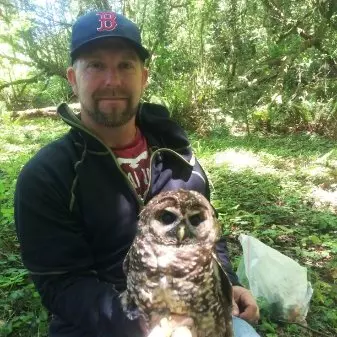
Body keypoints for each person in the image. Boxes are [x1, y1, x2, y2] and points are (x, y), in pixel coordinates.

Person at [14, 11, 260, 337]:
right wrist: (146, 325)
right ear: (73, 79)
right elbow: (62, 284)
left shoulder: (179, 158)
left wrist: (229, 284)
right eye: (96, 66)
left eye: (125, 65)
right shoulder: (47, 176)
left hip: (201, 313)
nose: (112, 81)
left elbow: (210, 241)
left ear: (143, 77)